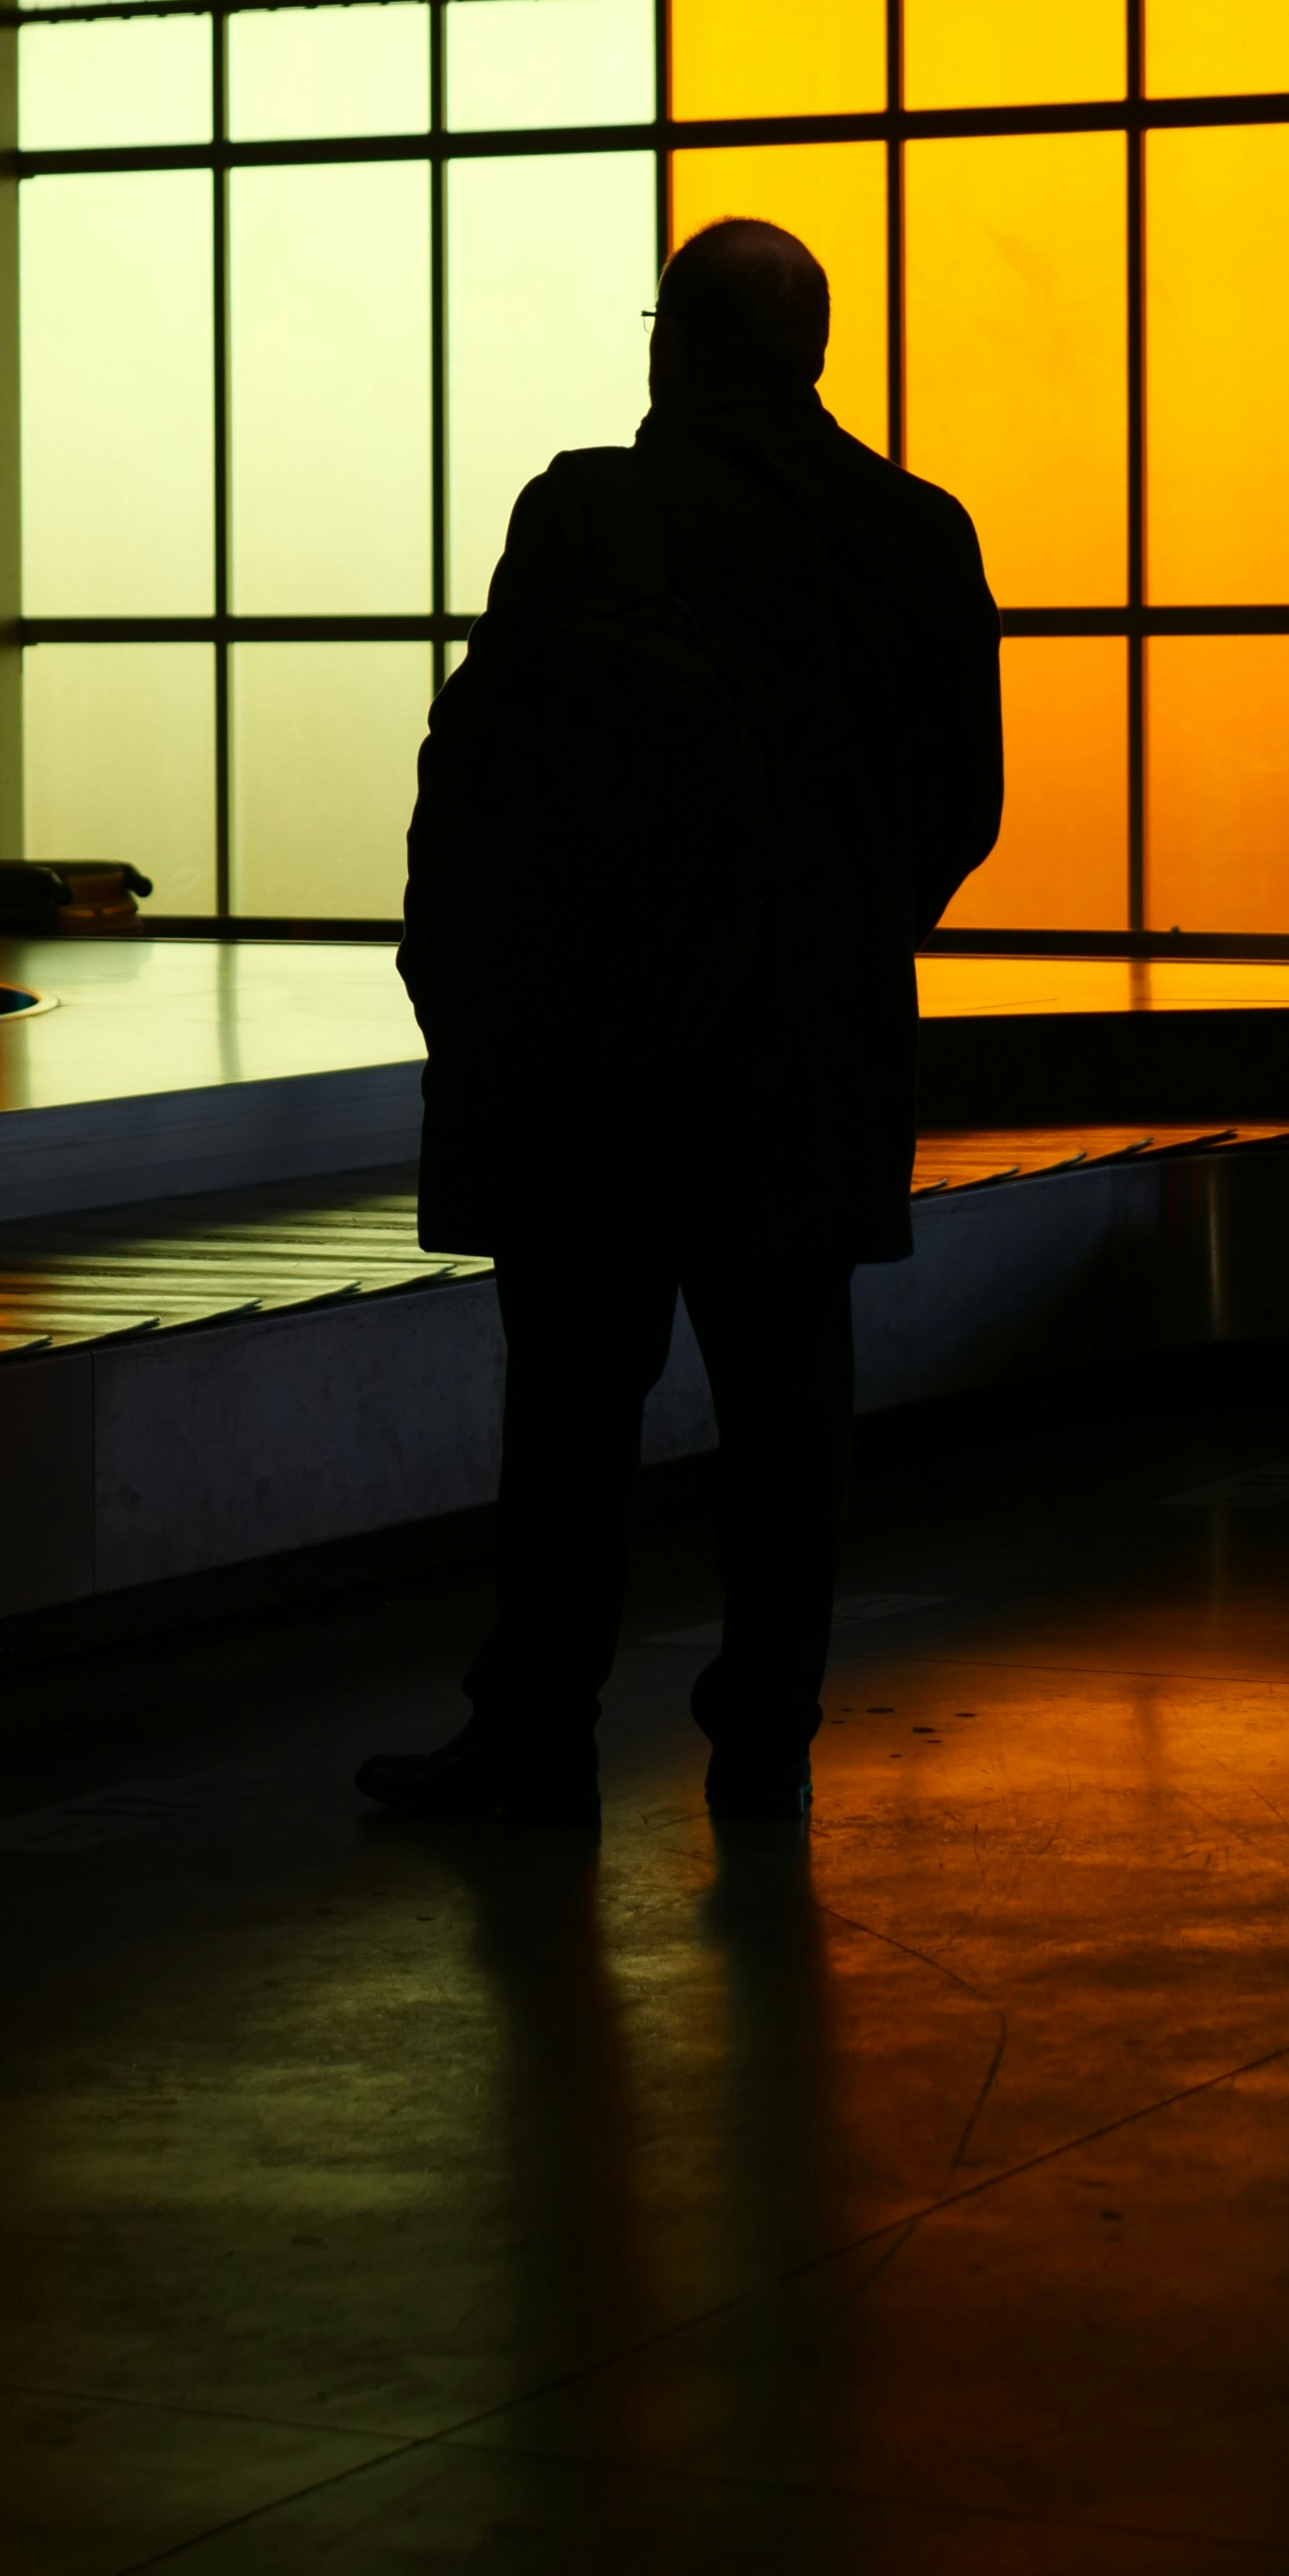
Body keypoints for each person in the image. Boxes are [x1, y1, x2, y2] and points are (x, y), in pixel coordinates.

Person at [358, 216, 1002, 1828]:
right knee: (789, 1413)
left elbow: (497, 769)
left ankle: (536, 1732)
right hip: (810, 1059)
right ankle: (767, 1739)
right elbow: (966, 807)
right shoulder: (919, 531)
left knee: (573, 1405)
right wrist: (831, 938)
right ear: (818, 350)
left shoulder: (591, 511)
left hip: (598, 1055)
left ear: (670, 342)